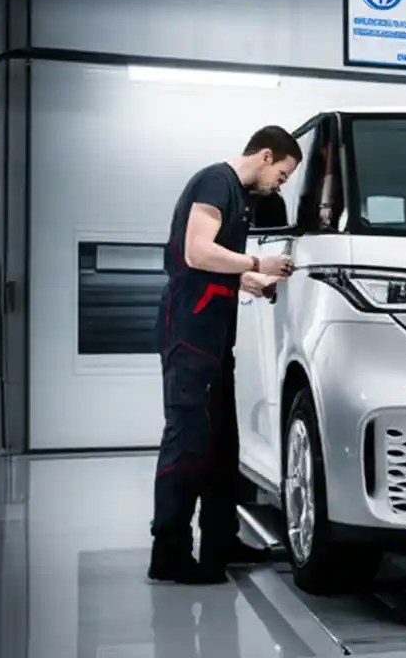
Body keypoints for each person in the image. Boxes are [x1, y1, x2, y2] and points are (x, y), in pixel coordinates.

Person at [148, 126, 301, 584]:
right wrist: (257, 264)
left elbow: (217, 265)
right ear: (267, 156)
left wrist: (249, 281)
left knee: (221, 444)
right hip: (190, 331)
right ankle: (169, 552)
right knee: (189, 438)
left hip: (215, 334)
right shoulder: (216, 182)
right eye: (283, 174)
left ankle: (221, 539)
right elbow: (197, 253)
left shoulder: (238, 194)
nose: (281, 184)